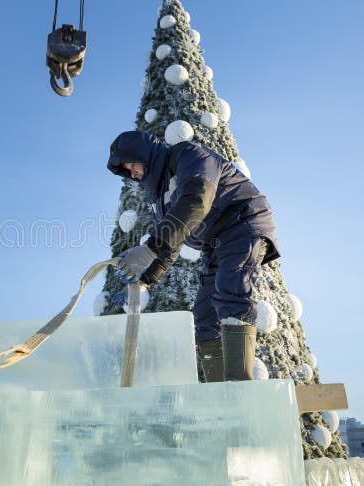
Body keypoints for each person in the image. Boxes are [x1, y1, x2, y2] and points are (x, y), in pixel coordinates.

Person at [107, 130, 280, 382]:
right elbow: (171, 245)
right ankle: (220, 389)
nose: (131, 173)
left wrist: (149, 248)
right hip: (215, 242)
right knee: (205, 312)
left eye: (131, 164)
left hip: (241, 222)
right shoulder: (161, 198)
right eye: (126, 170)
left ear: (143, 154)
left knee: (232, 289)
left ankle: (239, 385)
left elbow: (197, 199)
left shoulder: (188, 156)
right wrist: (144, 281)